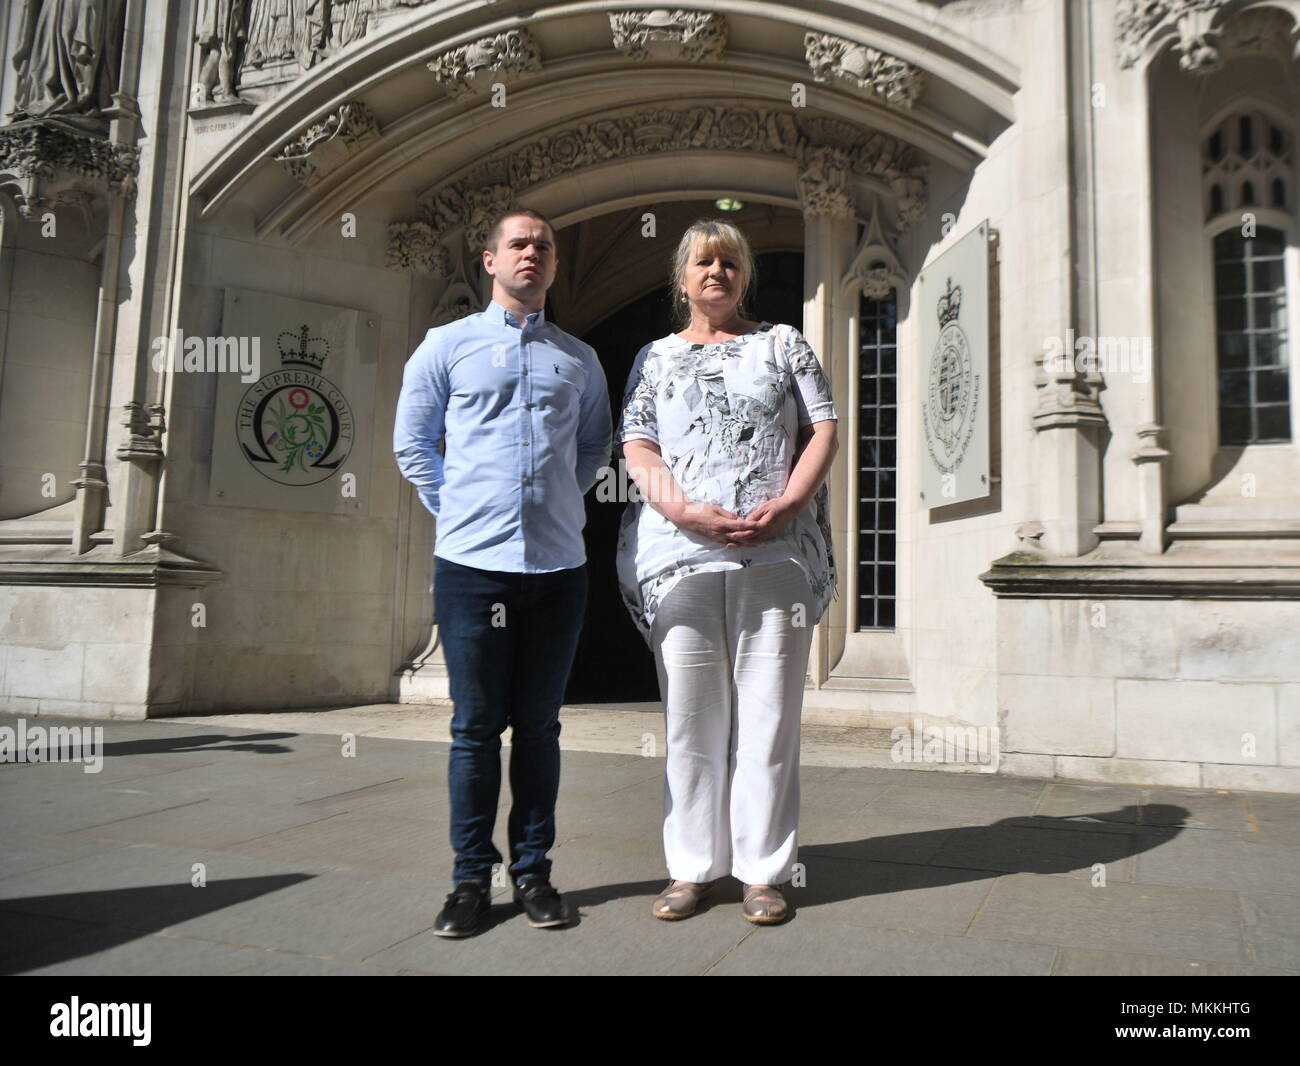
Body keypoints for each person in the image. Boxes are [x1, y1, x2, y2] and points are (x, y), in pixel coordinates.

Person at [394, 208, 612, 936]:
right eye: (519, 243)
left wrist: (546, 506)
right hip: (472, 569)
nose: (533, 253)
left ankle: (534, 873)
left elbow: (591, 453)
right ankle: (467, 882)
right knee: (475, 727)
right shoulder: (445, 346)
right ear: (490, 261)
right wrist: (462, 511)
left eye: (545, 246)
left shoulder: (578, 359)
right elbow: (415, 445)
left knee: (541, 728)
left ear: (553, 266)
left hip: (557, 567)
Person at [616, 219, 838, 924]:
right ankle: (691, 868)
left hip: (774, 553)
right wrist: (687, 514)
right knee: (691, 720)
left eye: (730, 263)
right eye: (703, 263)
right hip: (680, 557)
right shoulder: (654, 357)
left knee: (769, 722)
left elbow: (824, 426)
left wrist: (790, 502)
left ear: (744, 275)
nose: (717, 273)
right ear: (682, 279)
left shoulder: (783, 343)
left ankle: (764, 872)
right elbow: (638, 447)